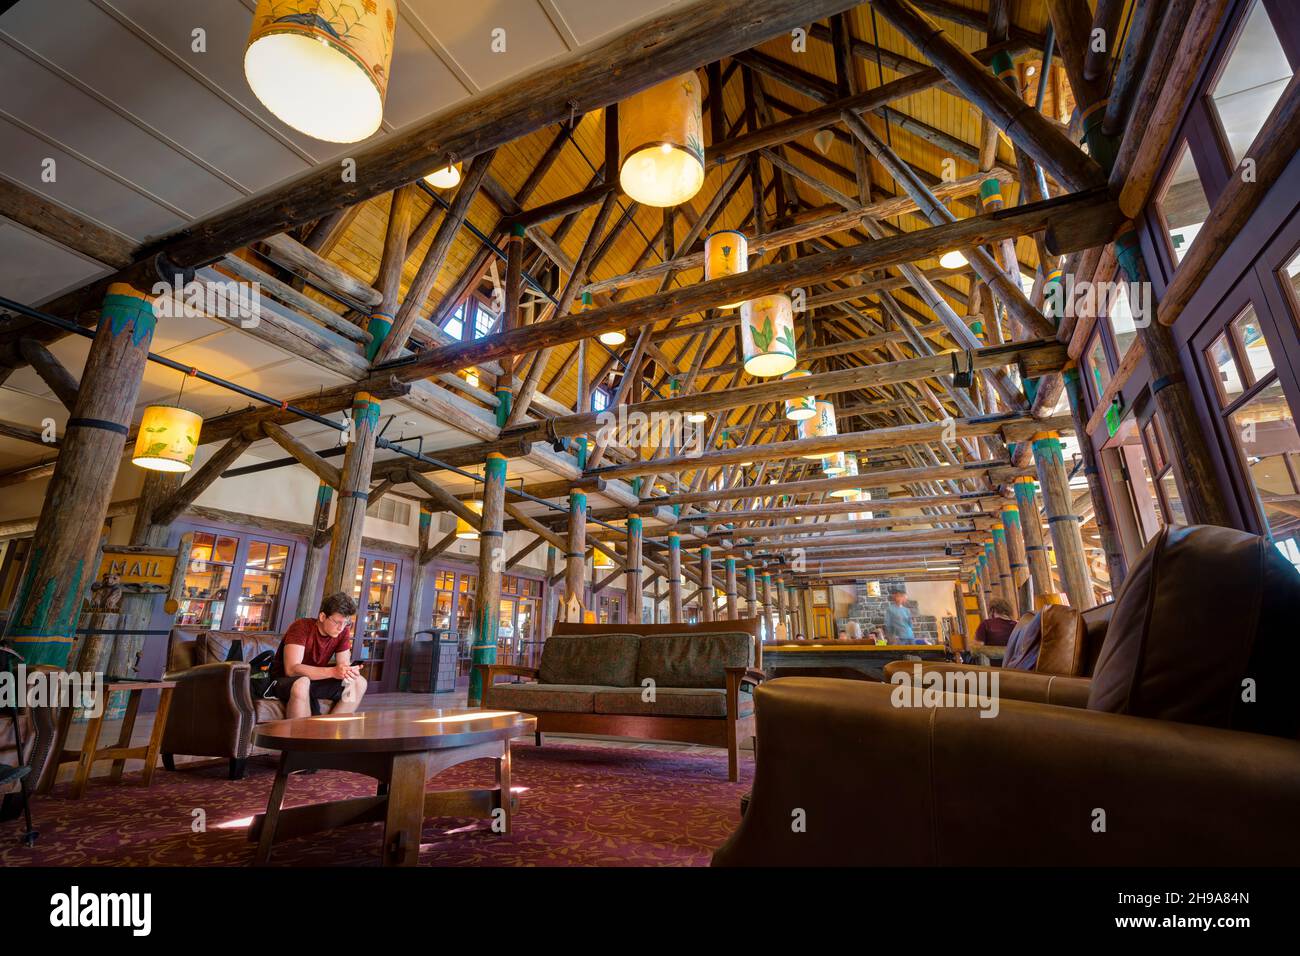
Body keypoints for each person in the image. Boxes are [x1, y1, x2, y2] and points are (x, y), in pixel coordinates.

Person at [268, 591, 367, 719]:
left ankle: (330, 733)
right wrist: (333, 672)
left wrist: (348, 671)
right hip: (284, 680)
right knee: (302, 683)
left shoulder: (343, 632)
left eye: (346, 623)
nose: (341, 628)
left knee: (359, 682)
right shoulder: (301, 627)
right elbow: (291, 670)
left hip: (315, 680)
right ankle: (302, 738)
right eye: (337, 622)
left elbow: (343, 664)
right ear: (322, 617)